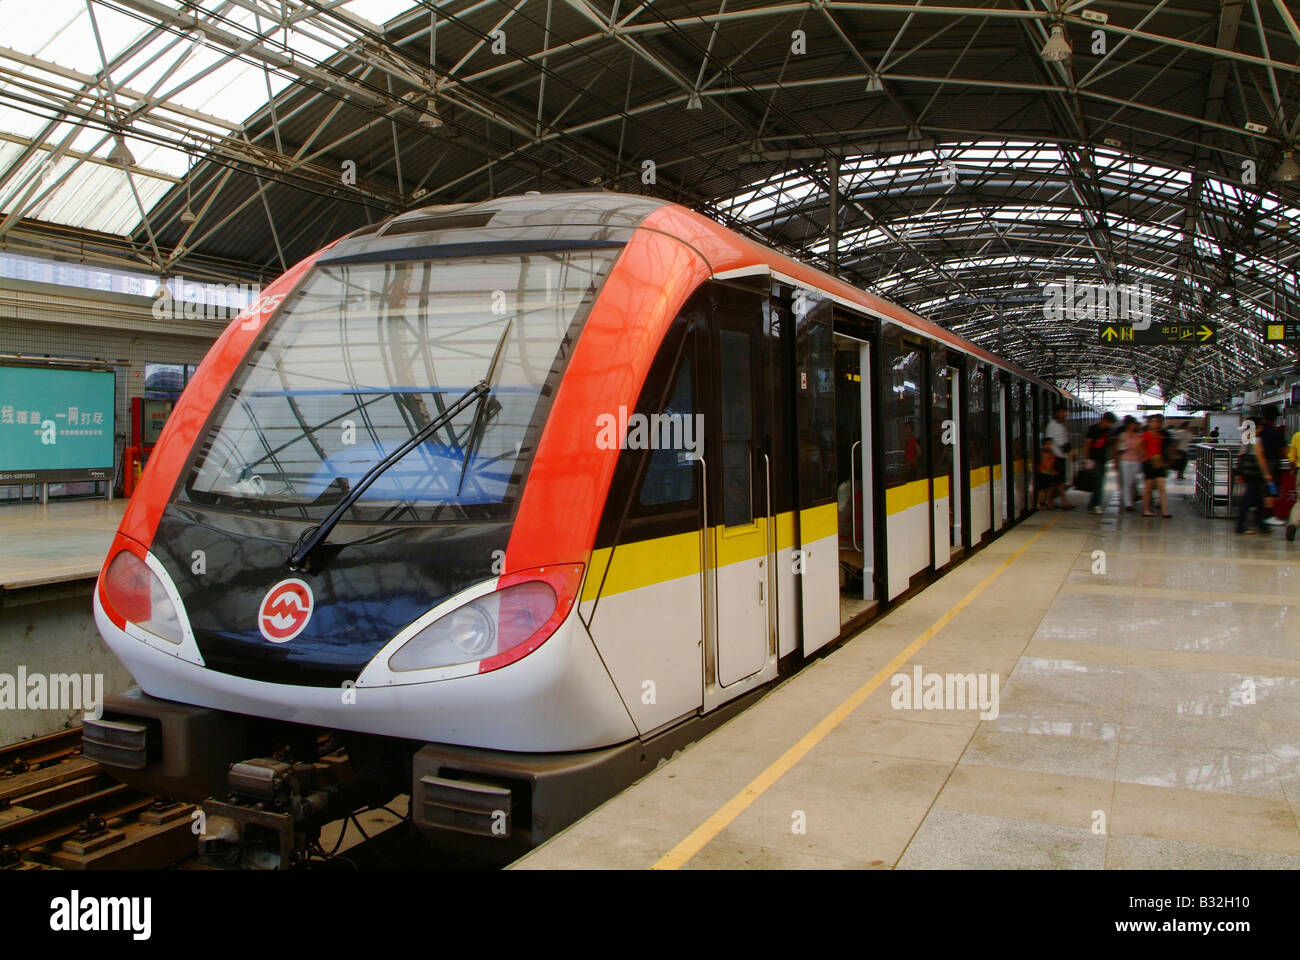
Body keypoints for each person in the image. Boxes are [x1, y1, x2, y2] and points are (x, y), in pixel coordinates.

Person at [1236, 405, 1280, 535]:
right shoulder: (1257, 440)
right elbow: (1260, 458)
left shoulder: (1246, 439)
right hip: (1254, 474)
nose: (1261, 429)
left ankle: (1262, 525)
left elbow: (1240, 455)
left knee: (1259, 500)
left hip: (1247, 472)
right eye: (1260, 426)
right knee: (1247, 501)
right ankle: (1240, 526)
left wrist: (1239, 472)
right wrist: (1267, 474)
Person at [1083, 412, 1117, 513]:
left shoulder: (1109, 431)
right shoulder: (1093, 429)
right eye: (1109, 422)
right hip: (1094, 460)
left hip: (1103, 460)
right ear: (1104, 420)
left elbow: (1111, 445)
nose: (1110, 425)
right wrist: (1087, 459)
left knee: (1099, 483)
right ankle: (1096, 504)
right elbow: (1088, 444)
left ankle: (1092, 504)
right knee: (1098, 482)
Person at [1141, 414, 1173, 518]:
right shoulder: (1146, 434)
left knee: (1162, 487)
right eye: (1153, 421)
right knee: (1148, 488)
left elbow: (1168, 446)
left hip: (1160, 462)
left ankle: (1165, 511)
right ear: (1149, 423)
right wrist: (1145, 456)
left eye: (1157, 421)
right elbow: (1138, 445)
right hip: (1149, 463)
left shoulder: (1162, 434)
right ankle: (1146, 509)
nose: (1156, 423)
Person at [1045, 404, 1072, 509]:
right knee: (1059, 481)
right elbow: (1051, 442)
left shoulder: (1060, 425)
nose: (1065, 414)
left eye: (1065, 412)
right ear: (1056, 413)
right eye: (1062, 412)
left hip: (1060, 456)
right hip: (1054, 457)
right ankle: (1063, 502)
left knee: (1057, 481)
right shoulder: (1052, 425)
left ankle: (1049, 500)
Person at [1116, 416, 1144, 512]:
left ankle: (1130, 500)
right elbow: (1118, 448)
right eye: (1132, 424)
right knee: (1127, 482)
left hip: (1136, 461)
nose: (1134, 425)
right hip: (1125, 460)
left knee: (1132, 482)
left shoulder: (1139, 436)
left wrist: (1141, 454)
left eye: (1135, 424)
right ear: (1128, 425)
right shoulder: (1122, 435)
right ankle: (1128, 503)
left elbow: (1142, 449)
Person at [1036, 437, 1059, 509]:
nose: (1050, 446)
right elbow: (1046, 465)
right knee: (1042, 490)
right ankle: (1038, 504)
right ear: (1043, 445)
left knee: (1050, 488)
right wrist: (1053, 472)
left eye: (1051, 444)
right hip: (1043, 473)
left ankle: (1047, 501)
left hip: (1048, 473)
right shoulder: (1045, 454)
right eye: (1047, 444)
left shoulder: (1051, 453)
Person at [1288, 423, 1300, 541]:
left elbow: (1291, 458)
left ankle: (1293, 523)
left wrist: (1292, 470)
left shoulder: (1297, 436)